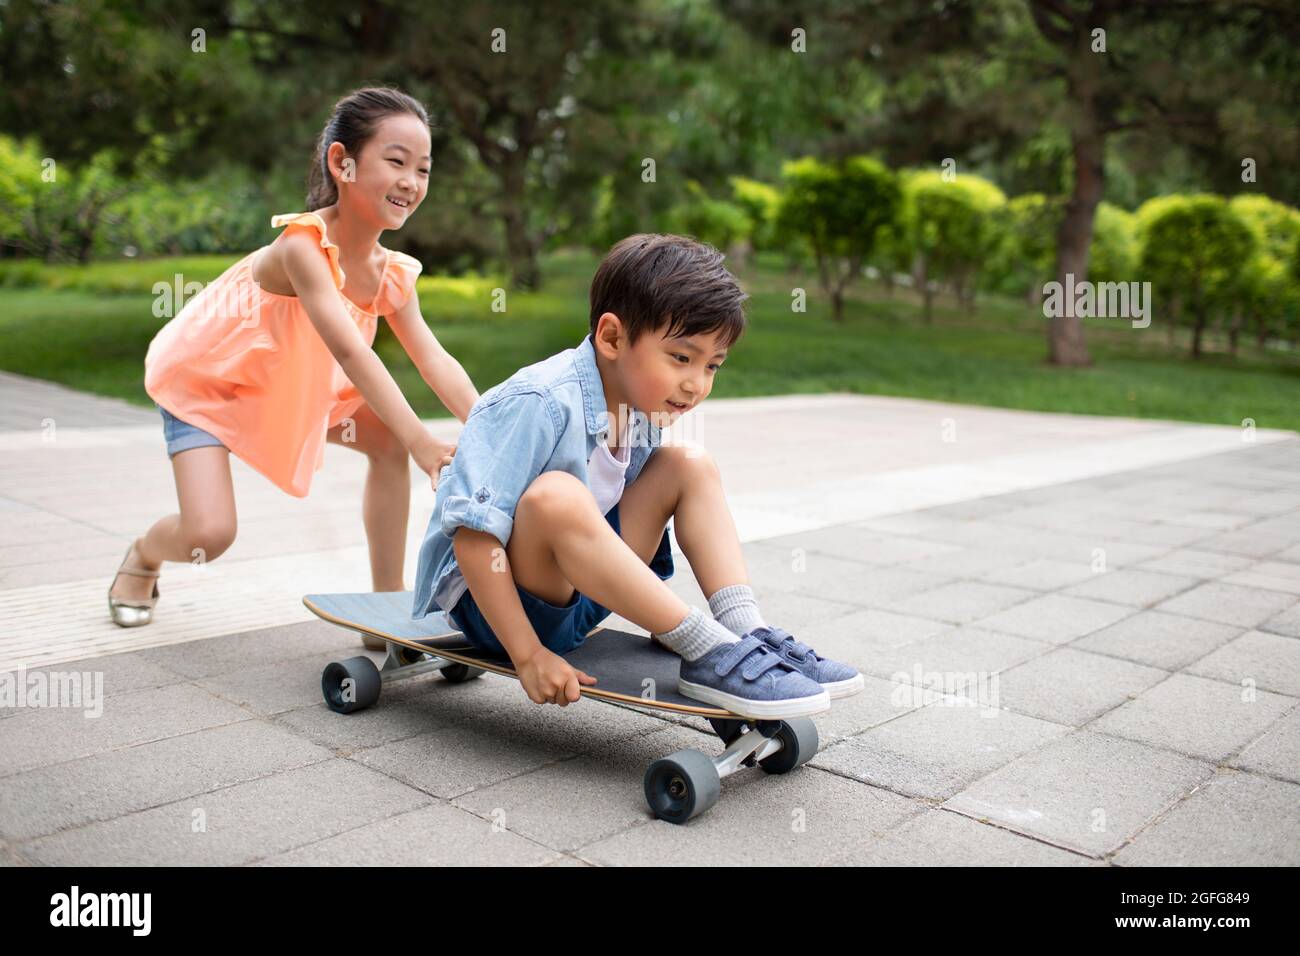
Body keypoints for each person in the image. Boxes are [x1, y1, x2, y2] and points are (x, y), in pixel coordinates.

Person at [411, 234, 863, 718]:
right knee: (556, 496)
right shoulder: (538, 401)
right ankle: (707, 647)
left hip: (584, 597)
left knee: (689, 463)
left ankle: (742, 633)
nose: (697, 384)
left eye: (713, 366)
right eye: (682, 358)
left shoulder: (643, 407)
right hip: (499, 610)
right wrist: (527, 654)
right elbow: (474, 541)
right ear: (611, 338)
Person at [109, 87, 478, 638]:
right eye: (396, 161)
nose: (411, 181)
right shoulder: (302, 246)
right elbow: (351, 352)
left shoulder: (391, 273)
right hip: (212, 384)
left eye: (423, 169)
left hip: (290, 387)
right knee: (208, 535)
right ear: (342, 162)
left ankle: (386, 608)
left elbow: (434, 359)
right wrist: (424, 440)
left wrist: (494, 423)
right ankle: (142, 556)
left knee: (384, 444)